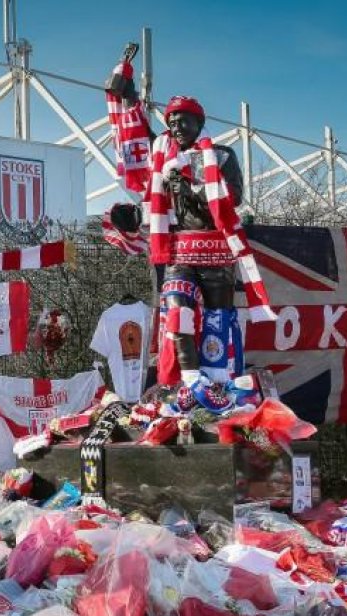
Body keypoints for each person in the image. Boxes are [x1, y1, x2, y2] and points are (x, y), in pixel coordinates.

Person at [106, 62, 249, 386]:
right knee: (176, 309)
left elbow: (234, 198)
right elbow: (143, 140)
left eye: (183, 121)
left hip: (215, 250)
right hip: (180, 251)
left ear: (199, 122)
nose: (177, 127)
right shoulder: (165, 158)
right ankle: (189, 382)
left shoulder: (222, 156)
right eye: (172, 123)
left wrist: (193, 190)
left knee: (217, 319)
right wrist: (128, 97)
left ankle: (218, 382)